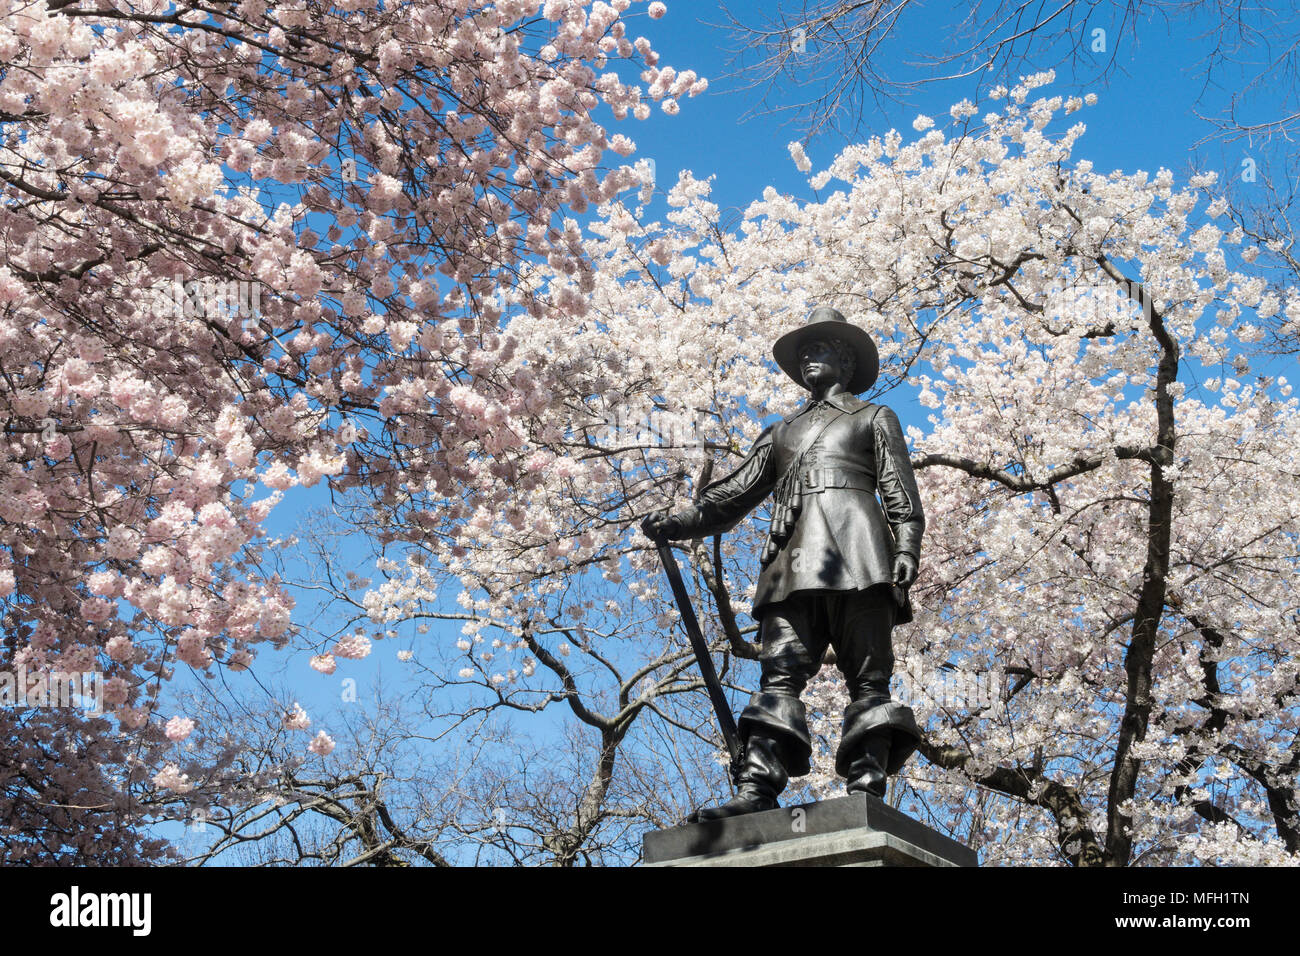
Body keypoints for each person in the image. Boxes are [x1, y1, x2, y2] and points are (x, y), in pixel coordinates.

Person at [642, 306, 924, 820]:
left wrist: (906, 547)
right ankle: (756, 788)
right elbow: (732, 494)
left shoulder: (873, 417)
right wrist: (681, 520)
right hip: (795, 562)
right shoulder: (781, 432)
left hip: (862, 554)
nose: (809, 358)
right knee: (779, 674)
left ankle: (867, 785)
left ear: (845, 359)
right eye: (804, 353)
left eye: (820, 348)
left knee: (869, 677)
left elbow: (900, 493)